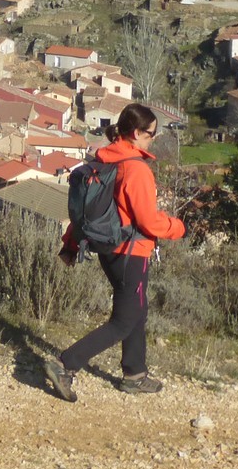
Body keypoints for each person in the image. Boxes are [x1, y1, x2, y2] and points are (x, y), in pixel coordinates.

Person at [43, 103, 185, 401]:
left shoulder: (104, 161)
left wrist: (70, 244)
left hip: (109, 249)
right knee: (124, 319)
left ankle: (135, 374)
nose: (153, 139)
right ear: (136, 133)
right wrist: (176, 227)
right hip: (131, 253)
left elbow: (87, 210)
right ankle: (65, 364)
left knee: (137, 310)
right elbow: (147, 220)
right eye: (151, 134)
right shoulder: (135, 169)